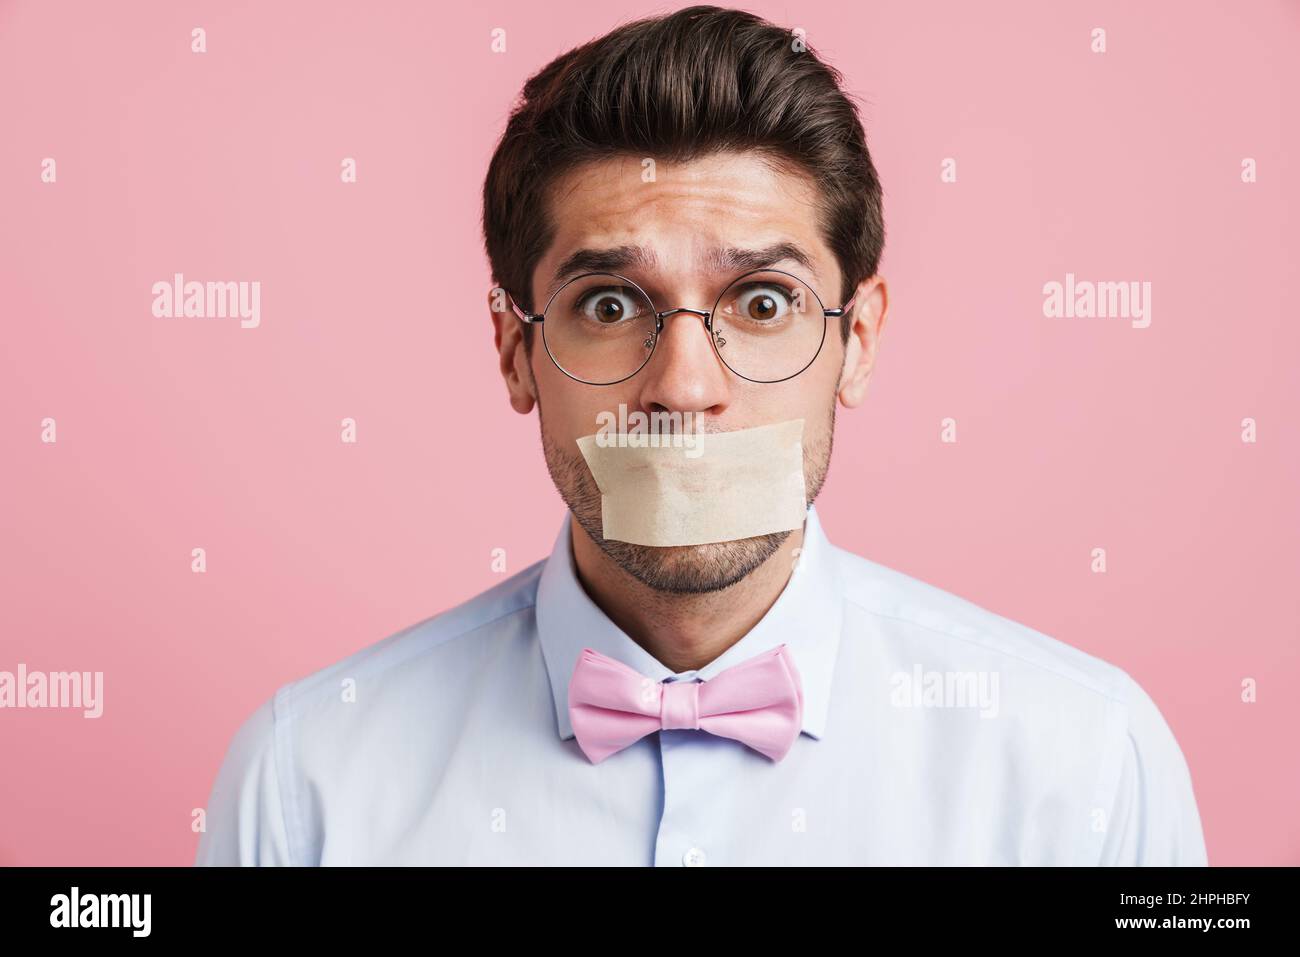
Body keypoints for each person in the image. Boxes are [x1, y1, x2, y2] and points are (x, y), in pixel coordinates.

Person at [196, 5, 1206, 866]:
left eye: (762, 303)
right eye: (607, 306)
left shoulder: (1085, 767)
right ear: (514, 351)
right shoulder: (307, 785)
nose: (683, 388)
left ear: (855, 343)